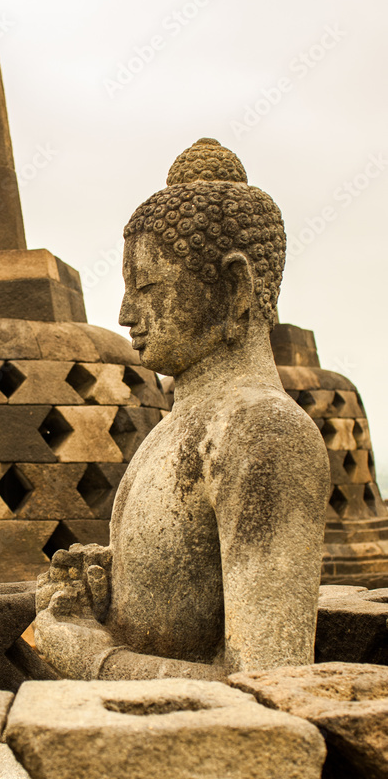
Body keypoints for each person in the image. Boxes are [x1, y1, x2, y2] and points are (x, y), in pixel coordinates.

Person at [35, 138, 330, 681]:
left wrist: (88, 656)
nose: (125, 314)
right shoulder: (177, 427)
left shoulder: (262, 434)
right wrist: (105, 597)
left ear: (235, 288)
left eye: (147, 288)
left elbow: (269, 687)